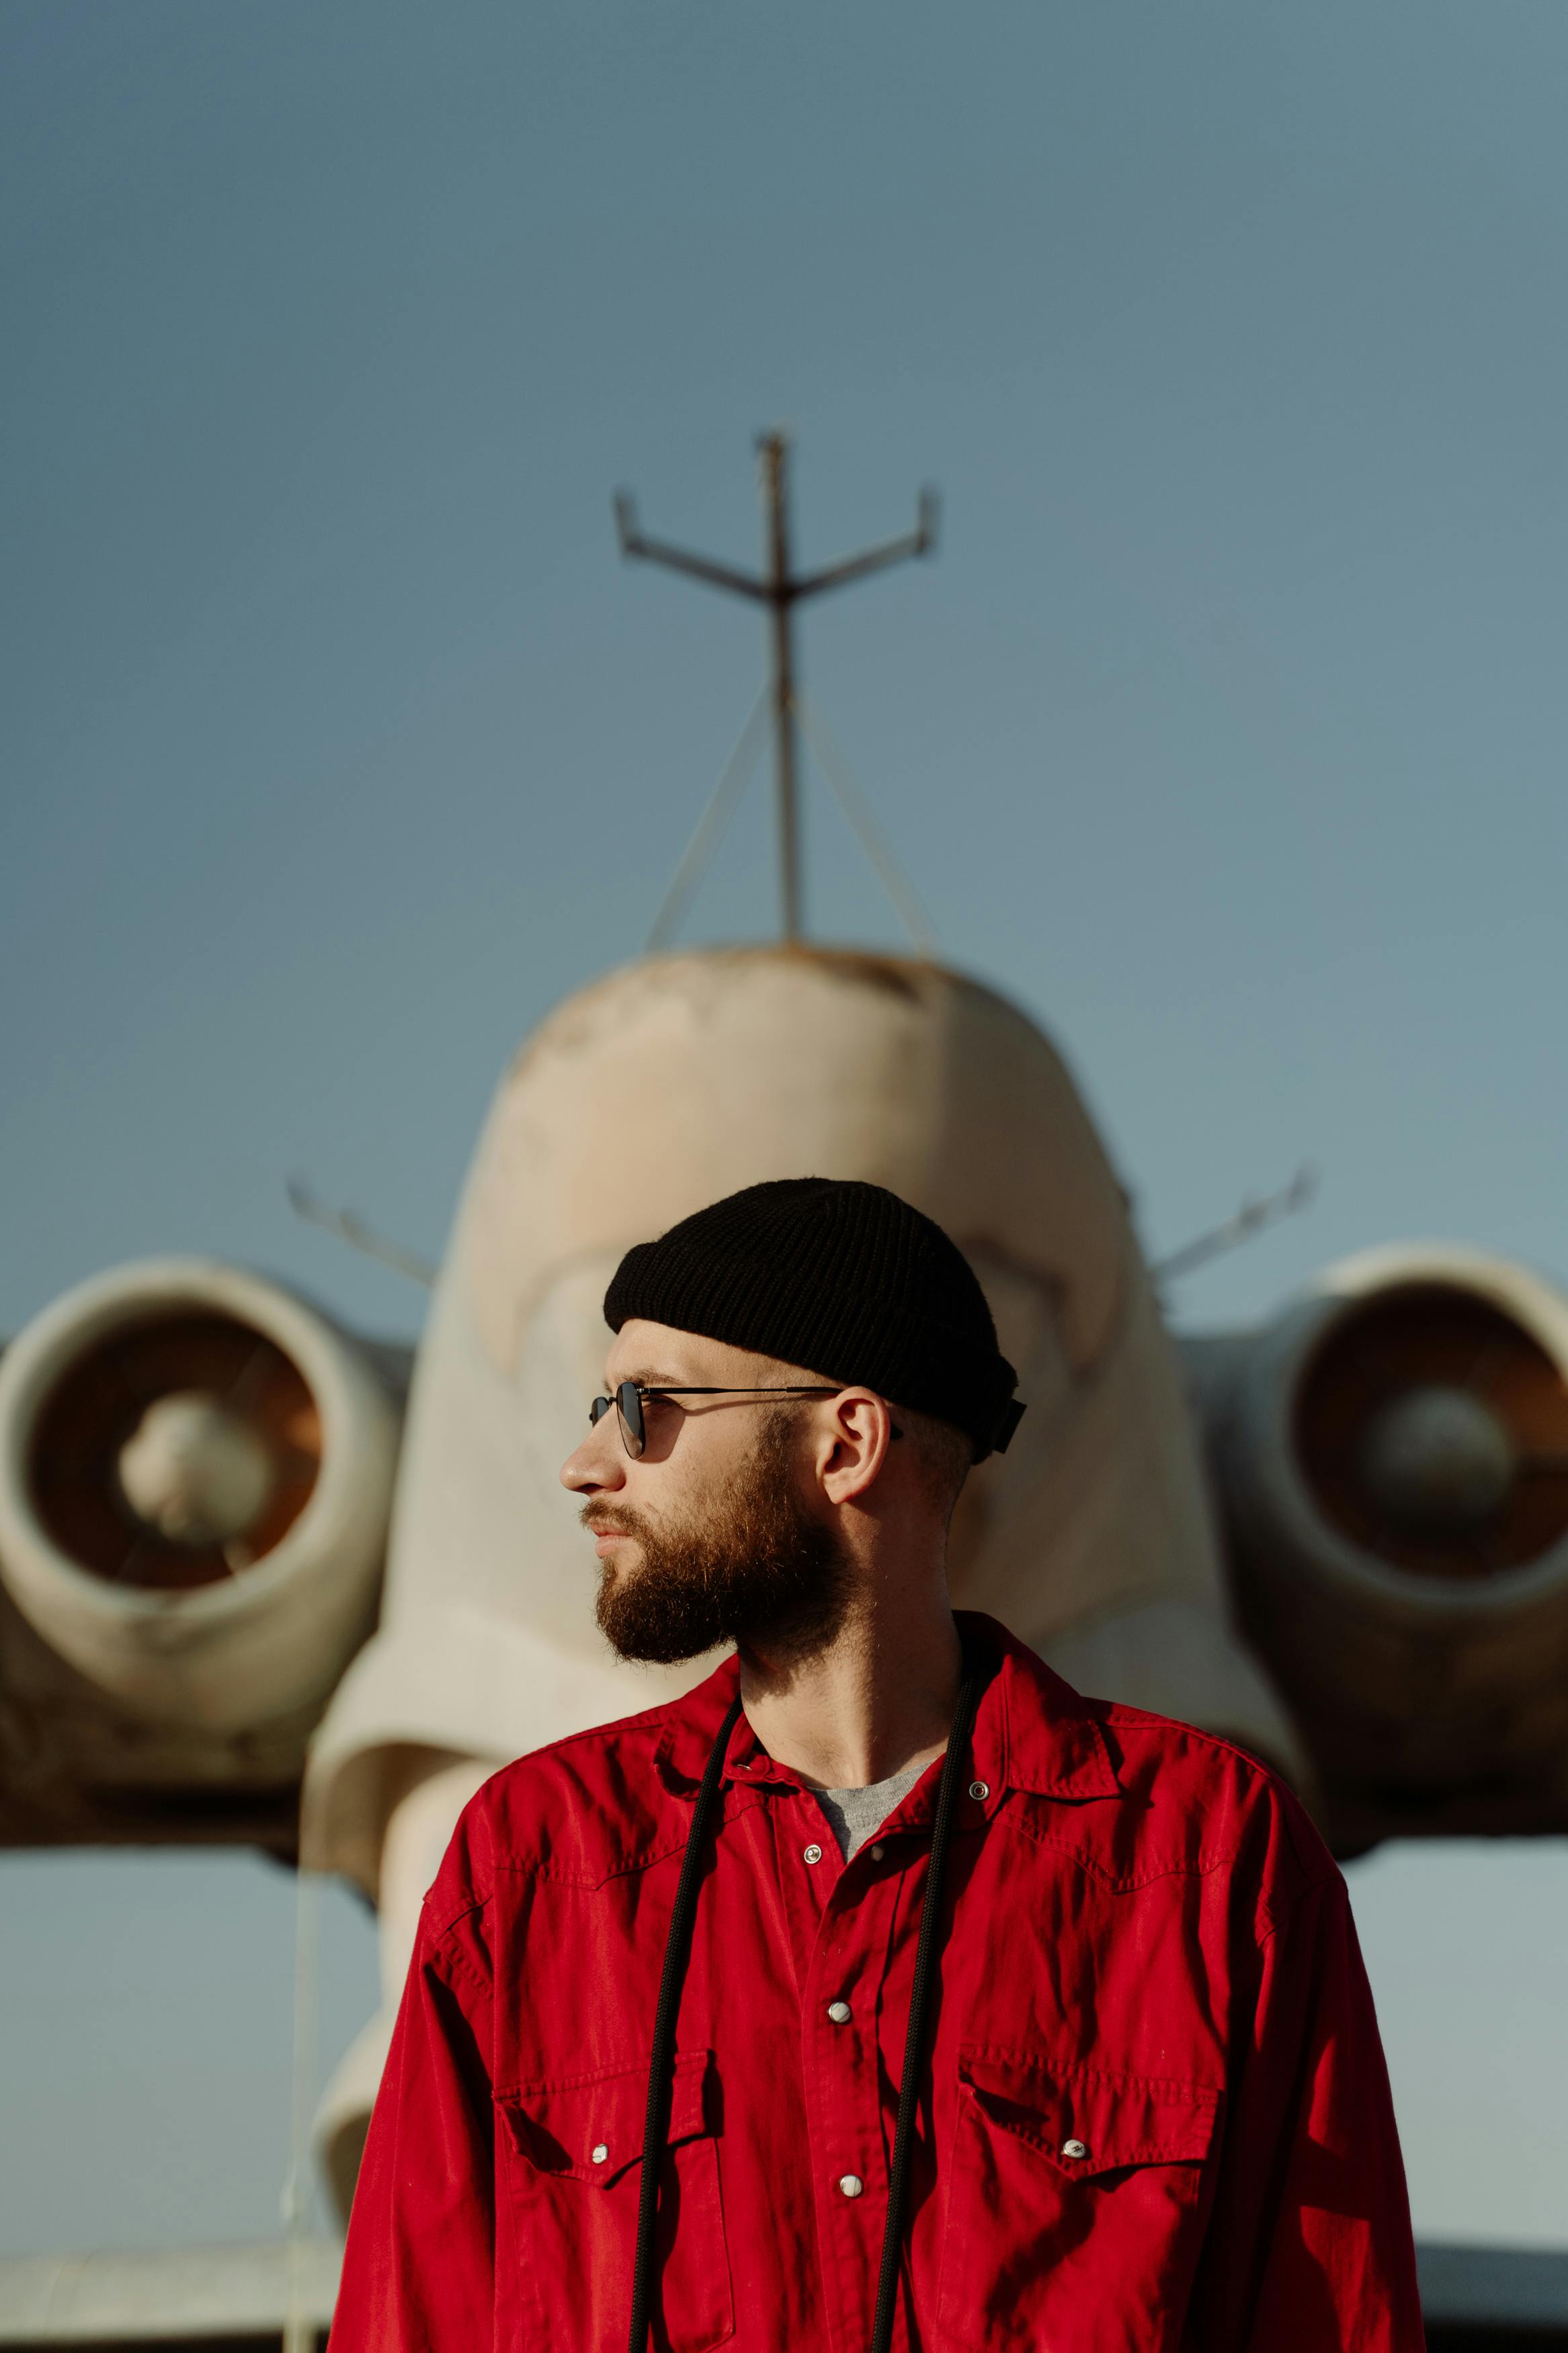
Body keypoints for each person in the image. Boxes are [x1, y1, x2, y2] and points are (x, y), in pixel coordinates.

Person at [333, 1175, 1423, 2353]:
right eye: (601, 1403)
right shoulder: (530, 1867)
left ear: (845, 1442)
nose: (589, 1463)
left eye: (643, 1406)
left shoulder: (1210, 1862)